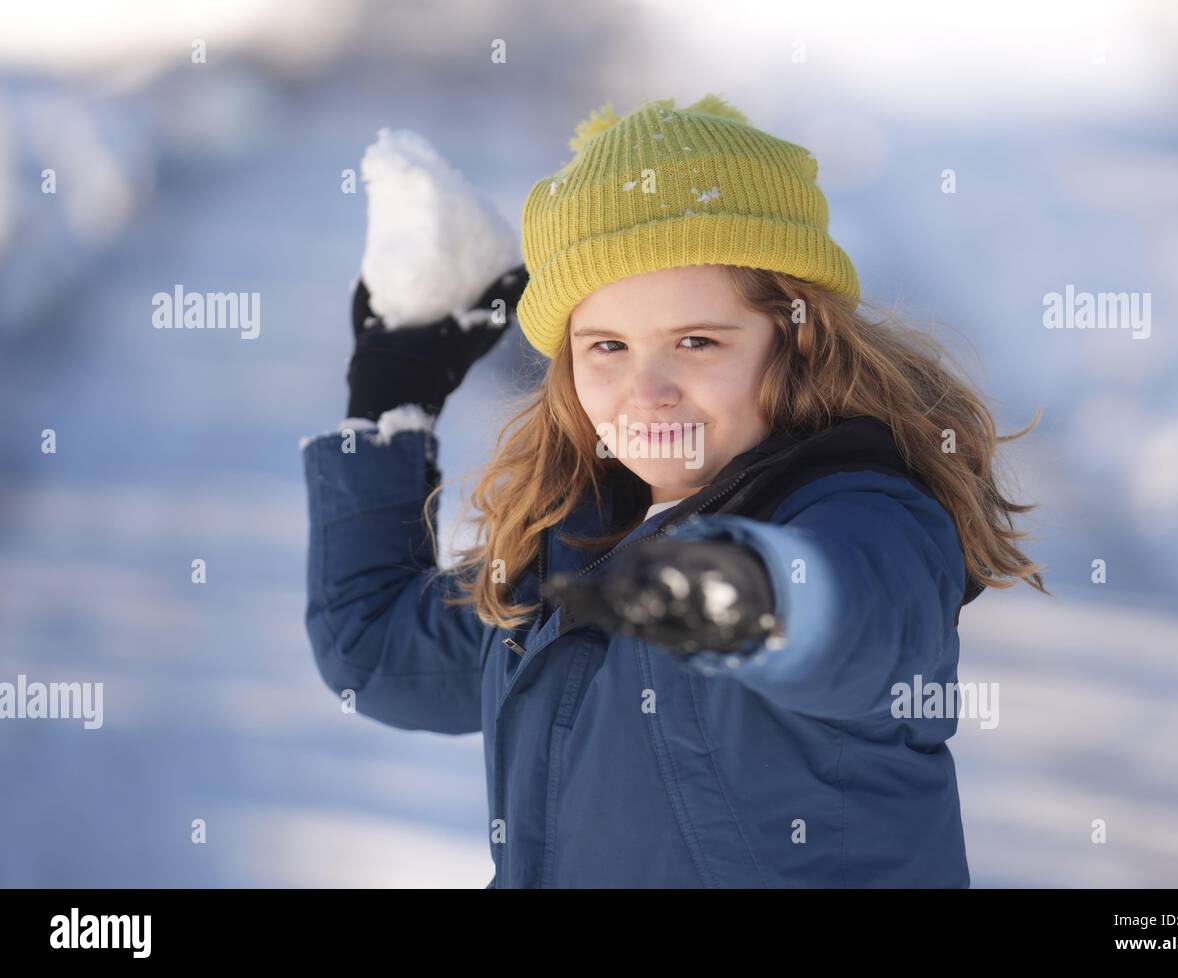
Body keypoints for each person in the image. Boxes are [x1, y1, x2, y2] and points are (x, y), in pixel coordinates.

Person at [301, 94, 1048, 888]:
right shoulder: (573, 548)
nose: (646, 391)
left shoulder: (866, 509)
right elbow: (374, 654)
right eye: (608, 346)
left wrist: (750, 592)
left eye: (696, 342)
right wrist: (392, 394)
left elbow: (855, 611)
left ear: (798, 339)